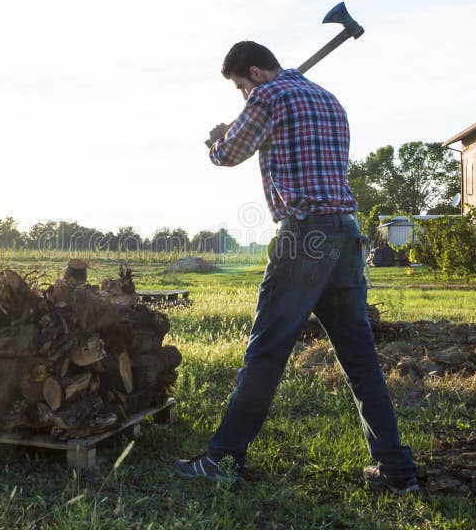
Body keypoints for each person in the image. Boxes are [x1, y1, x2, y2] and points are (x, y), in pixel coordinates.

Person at [174, 41, 418, 495]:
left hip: (305, 236)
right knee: (360, 360)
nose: (245, 96)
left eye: (241, 88)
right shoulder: (328, 99)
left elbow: (227, 155)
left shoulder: (268, 97)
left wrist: (217, 138)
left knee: (265, 351)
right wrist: (245, 125)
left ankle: (223, 459)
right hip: (347, 233)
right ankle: (398, 474)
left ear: (254, 73)